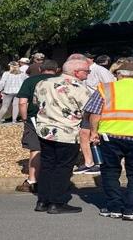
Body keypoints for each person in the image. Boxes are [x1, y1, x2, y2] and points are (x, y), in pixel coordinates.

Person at [83, 57, 133, 220]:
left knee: (110, 171)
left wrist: (93, 132)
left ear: (119, 74)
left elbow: (94, 113)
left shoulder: (106, 88)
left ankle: (113, 206)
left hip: (111, 135)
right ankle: (132, 208)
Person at [31, 58, 94, 215]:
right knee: (63, 167)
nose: (88, 74)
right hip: (67, 132)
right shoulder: (80, 88)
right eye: (87, 71)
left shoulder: (42, 83)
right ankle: (57, 202)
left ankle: (43, 200)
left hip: (45, 130)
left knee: (47, 164)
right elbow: (88, 111)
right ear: (76, 72)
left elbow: (36, 102)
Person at [17, 60, 62, 192]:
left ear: (41, 69)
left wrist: (24, 118)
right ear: (57, 69)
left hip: (35, 117)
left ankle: (32, 180)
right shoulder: (61, 80)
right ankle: (55, 180)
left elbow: (22, 102)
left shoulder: (30, 81)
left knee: (36, 149)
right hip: (58, 117)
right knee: (57, 148)